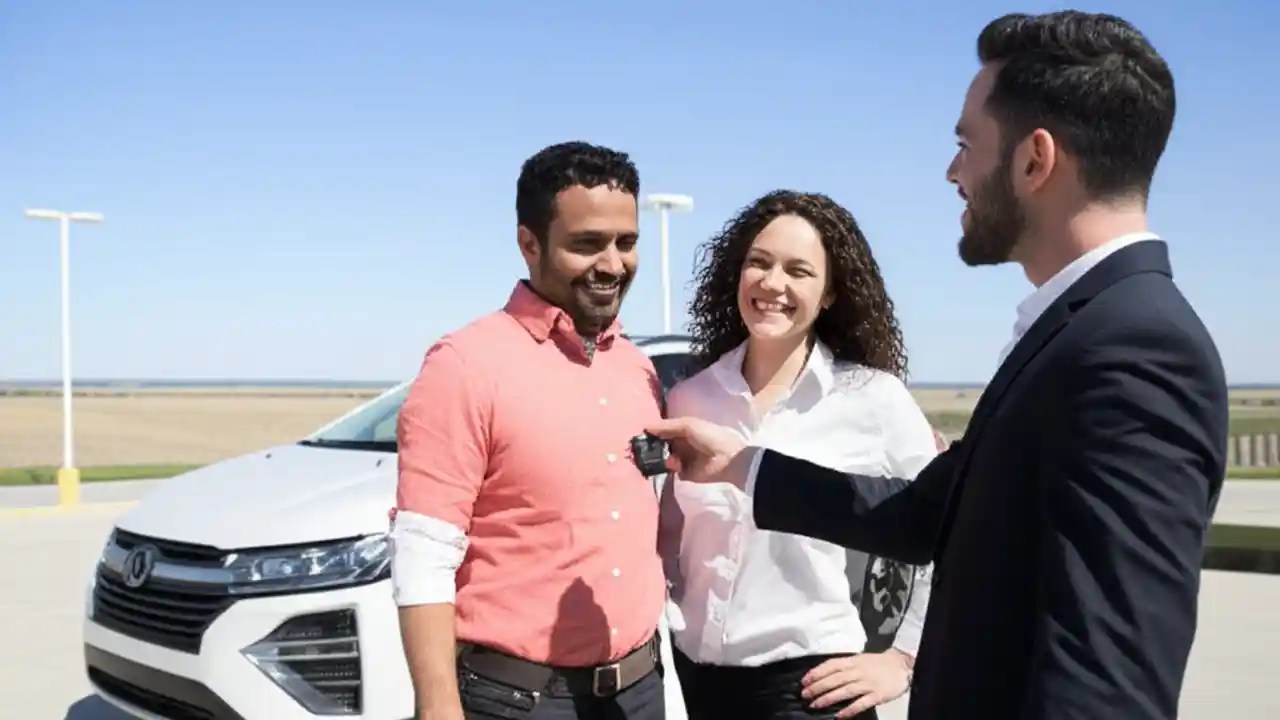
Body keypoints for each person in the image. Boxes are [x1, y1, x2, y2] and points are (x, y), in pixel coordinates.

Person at [646, 11, 1228, 720]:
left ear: (1034, 159)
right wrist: (742, 466)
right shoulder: (1075, 331)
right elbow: (927, 513)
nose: (953, 172)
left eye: (965, 145)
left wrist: (901, 660)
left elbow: (1110, 675)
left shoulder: (1136, 348)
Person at [391, 141, 669, 720]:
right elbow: (423, 553)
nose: (614, 264)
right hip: (520, 702)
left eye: (626, 242)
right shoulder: (464, 365)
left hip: (640, 693)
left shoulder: (637, 368)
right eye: (587, 244)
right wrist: (438, 705)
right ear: (529, 244)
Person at [656, 189, 939, 720]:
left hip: (810, 692)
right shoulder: (692, 397)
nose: (772, 283)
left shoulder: (871, 400)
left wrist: (904, 658)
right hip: (693, 686)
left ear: (830, 293)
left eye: (798, 270)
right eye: (759, 263)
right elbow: (668, 543)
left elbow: (954, 528)